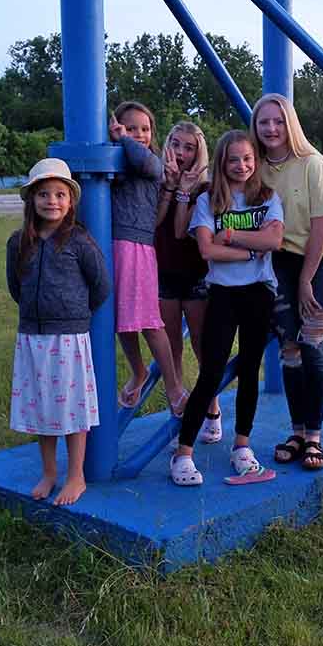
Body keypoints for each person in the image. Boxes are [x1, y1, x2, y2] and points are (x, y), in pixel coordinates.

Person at [170, 130, 284, 486]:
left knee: (250, 370)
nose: (242, 166)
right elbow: (206, 250)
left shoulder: (267, 196)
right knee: (211, 372)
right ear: (221, 162)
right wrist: (253, 249)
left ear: (256, 161)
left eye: (248, 159)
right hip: (222, 293)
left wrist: (232, 238)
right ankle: (183, 453)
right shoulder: (210, 200)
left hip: (258, 293)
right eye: (234, 159)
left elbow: (274, 240)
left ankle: (242, 447)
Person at [6, 158, 111, 506]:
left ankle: (75, 474)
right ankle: (49, 471)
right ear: (32, 200)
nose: (52, 201)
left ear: (70, 201)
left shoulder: (79, 241)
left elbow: (100, 285)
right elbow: (15, 286)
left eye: (60, 194)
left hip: (68, 339)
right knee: (41, 410)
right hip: (32, 338)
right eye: (44, 194)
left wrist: (72, 313)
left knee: (72, 410)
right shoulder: (19, 242)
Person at [249, 93, 323, 471]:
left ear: (290, 124)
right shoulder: (254, 167)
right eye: (264, 121)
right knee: (290, 348)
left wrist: (306, 280)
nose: (271, 128)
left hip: (315, 259)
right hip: (277, 261)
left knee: (313, 345)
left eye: (278, 121)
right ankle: (297, 430)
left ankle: (315, 436)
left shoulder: (311, 163)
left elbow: (321, 225)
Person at [108, 101, 187, 414]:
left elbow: (148, 165)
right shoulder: (118, 161)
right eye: (130, 128)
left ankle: (174, 386)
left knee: (150, 322)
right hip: (111, 245)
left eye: (145, 129)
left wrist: (122, 138)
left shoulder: (149, 161)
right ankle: (138, 370)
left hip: (136, 248)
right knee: (122, 321)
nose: (138, 134)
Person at [154, 121, 222, 443]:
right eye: (176, 145)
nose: (181, 153)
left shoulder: (205, 189)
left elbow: (183, 231)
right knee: (171, 349)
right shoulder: (156, 179)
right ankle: (178, 411)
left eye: (189, 147)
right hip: (164, 271)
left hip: (195, 273)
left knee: (200, 343)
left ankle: (212, 408)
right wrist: (168, 186)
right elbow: (154, 221)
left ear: (199, 152)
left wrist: (184, 190)